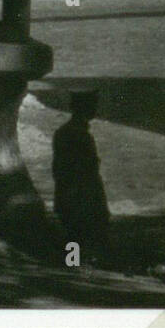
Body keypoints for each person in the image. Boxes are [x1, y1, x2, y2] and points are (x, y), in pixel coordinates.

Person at [52, 89, 111, 264]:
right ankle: (76, 266)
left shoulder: (64, 132)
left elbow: (58, 168)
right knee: (82, 235)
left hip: (72, 193)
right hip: (82, 194)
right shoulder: (79, 135)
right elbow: (84, 168)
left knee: (74, 236)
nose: (95, 110)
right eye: (92, 106)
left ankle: (74, 265)